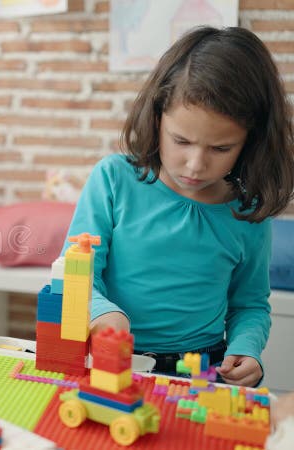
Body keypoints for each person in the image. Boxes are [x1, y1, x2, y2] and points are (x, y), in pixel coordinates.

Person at [63, 26, 294, 387]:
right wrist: (101, 312)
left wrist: (247, 349)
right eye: (181, 140)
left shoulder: (247, 214)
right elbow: (73, 276)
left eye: (220, 149)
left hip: (204, 373)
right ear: (157, 118)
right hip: (112, 365)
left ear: (250, 143)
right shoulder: (113, 180)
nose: (195, 165)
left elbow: (249, 304)